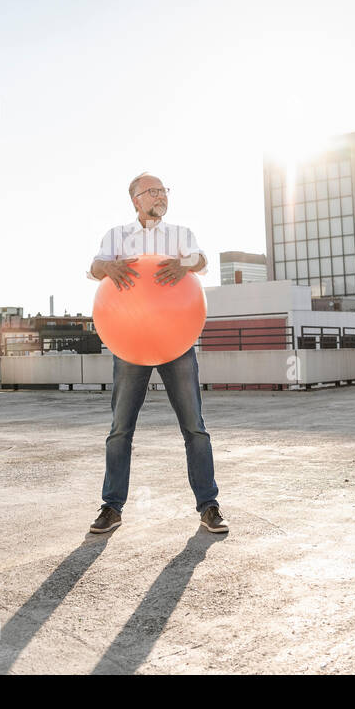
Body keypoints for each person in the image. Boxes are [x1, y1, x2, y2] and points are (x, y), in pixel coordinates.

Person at [85, 172, 228, 535]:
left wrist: (185, 264)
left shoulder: (180, 234)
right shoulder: (117, 236)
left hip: (176, 341)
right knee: (120, 429)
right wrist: (109, 267)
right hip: (130, 341)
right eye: (153, 192)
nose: (160, 196)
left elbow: (201, 260)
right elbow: (95, 267)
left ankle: (209, 506)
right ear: (136, 199)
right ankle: (111, 507)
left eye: (164, 191)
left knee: (195, 426)